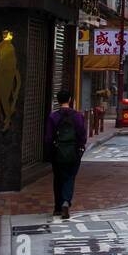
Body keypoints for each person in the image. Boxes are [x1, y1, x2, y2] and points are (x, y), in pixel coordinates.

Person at [45, 89, 87, 219]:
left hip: (57, 152)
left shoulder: (53, 116)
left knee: (58, 178)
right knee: (69, 177)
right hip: (73, 152)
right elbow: (82, 135)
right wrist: (80, 148)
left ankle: (57, 207)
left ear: (58, 100)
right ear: (70, 99)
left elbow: (48, 137)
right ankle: (66, 201)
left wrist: (50, 152)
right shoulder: (78, 116)